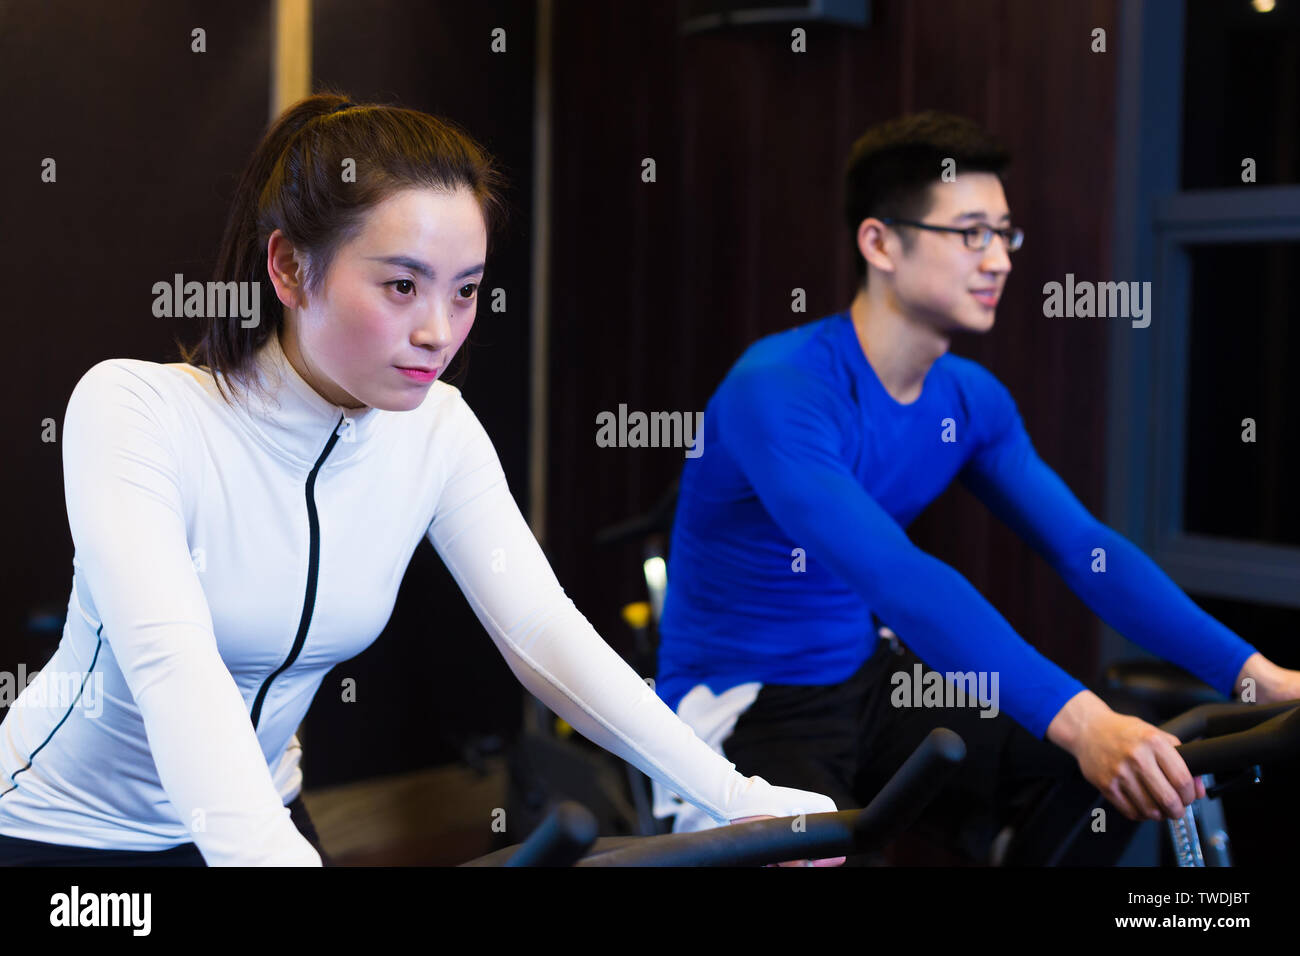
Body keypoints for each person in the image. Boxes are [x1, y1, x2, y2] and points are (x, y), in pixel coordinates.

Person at [0, 92, 839, 867]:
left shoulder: (438, 429)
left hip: (267, 808)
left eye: (466, 290)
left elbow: (543, 633)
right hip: (62, 830)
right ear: (289, 269)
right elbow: (171, 660)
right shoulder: (137, 409)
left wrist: (736, 798)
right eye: (401, 285)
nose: (439, 331)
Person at [650, 110, 1300, 864]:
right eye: (971, 233)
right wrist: (1083, 720)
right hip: (748, 703)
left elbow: (1085, 548)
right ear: (880, 242)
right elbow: (899, 575)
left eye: (1005, 234)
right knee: (830, 845)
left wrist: (1259, 678)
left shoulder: (967, 399)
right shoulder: (780, 388)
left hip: (868, 679)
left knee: (1113, 774)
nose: (999, 260)